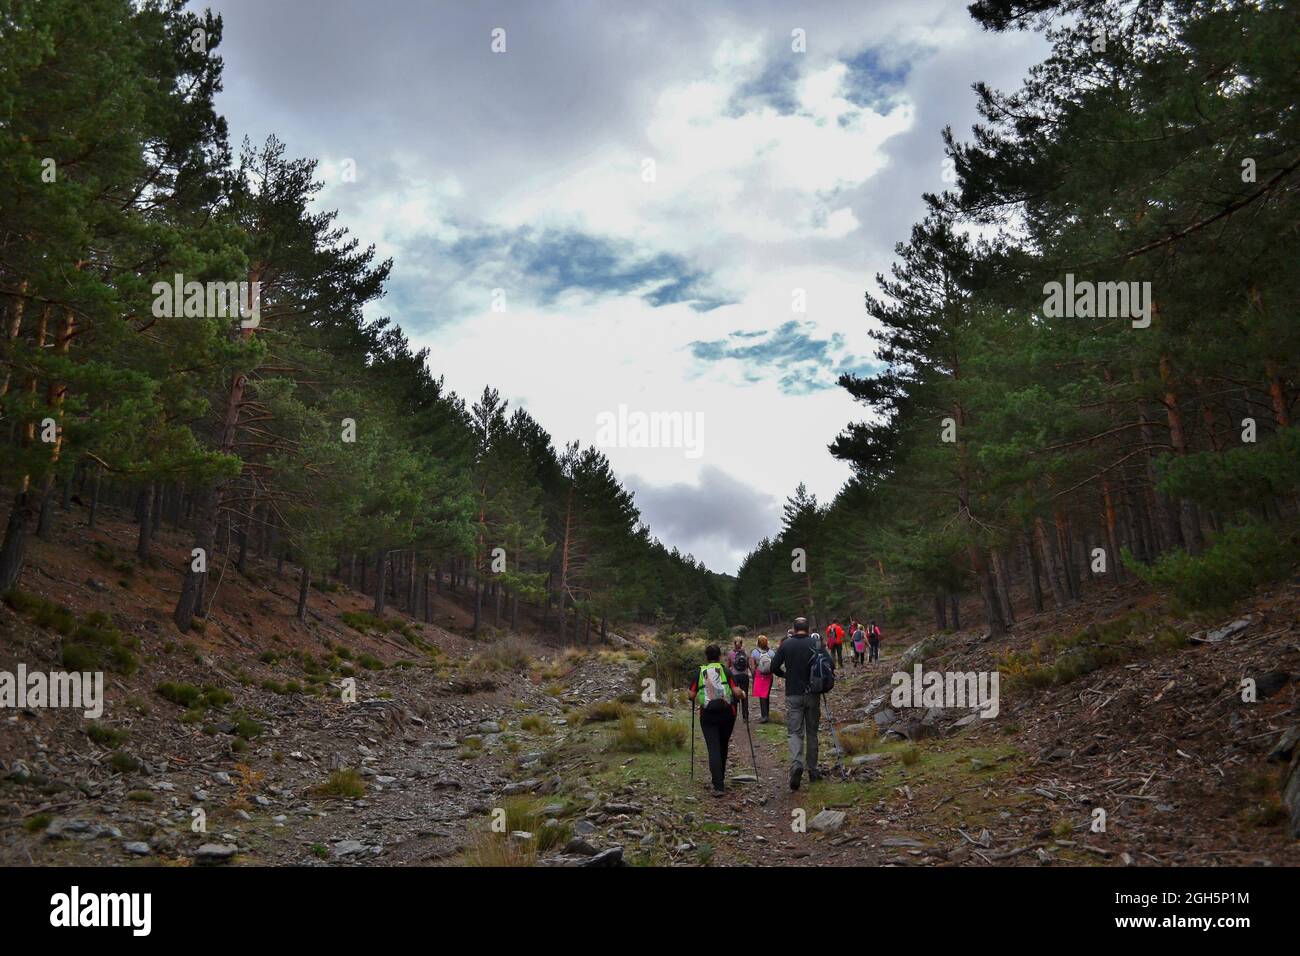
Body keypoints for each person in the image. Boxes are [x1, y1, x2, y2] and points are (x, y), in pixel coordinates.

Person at [769, 617, 820, 791]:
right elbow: (830, 665)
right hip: (813, 693)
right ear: (808, 628)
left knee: (795, 733)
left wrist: (785, 675)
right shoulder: (816, 643)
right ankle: (813, 771)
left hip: (793, 694)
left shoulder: (786, 645)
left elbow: (773, 666)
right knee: (812, 732)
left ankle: (797, 765)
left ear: (794, 628)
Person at [689, 644, 745, 795]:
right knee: (723, 745)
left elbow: (691, 696)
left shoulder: (700, 671)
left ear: (706, 657)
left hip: (707, 715)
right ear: (720, 656)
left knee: (713, 747)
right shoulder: (726, 671)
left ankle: (718, 785)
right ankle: (721, 777)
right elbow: (735, 691)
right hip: (727, 714)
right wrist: (742, 694)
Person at [750, 635, 774, 723]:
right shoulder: (771, 652)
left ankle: (764, 716)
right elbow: (774, 664)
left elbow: (752, 667)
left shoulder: (754, 652)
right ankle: (766, 714)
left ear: (758, 642)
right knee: (766, 695)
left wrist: (753, 676)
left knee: (762, 696)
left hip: (759, 676)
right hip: (769, 676)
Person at [727, 636, 751, 722]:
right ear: (741, 643)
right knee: (745, 696)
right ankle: (745, 716)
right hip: (744, 676)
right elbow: (748, 665)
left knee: (734, 696)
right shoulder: (746, 653)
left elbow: (728, 665)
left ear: (734, 644)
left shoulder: (730, 653)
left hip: (734, 677)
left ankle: (734, 715)